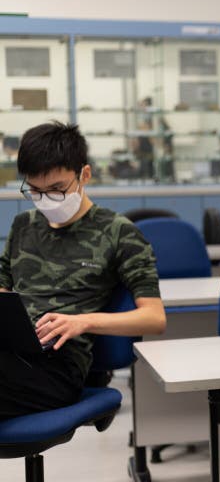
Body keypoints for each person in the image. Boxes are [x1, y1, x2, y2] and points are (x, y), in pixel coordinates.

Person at [0, 121, 166, 420]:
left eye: (56, 189)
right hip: (11, 352)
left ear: (84, 175)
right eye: (35, 190)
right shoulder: (23, 226)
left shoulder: (118, 232)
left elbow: (154, 318)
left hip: (58, 367)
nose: (45, 199)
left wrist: (82, 322)